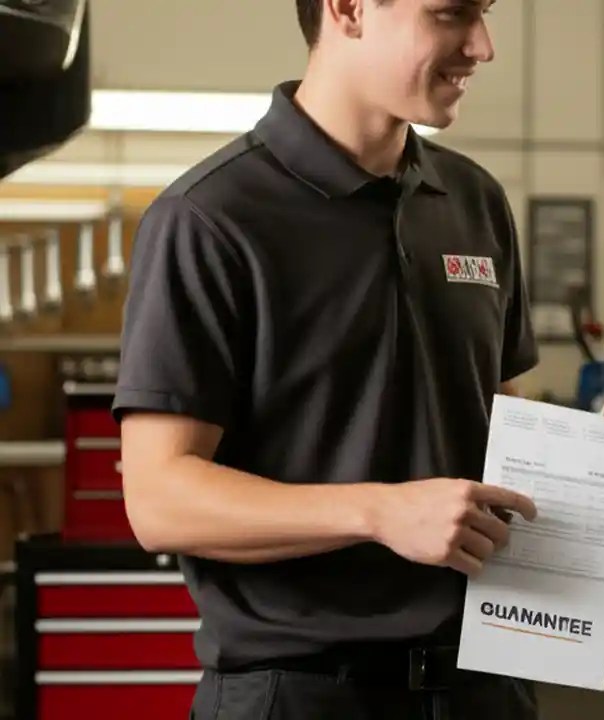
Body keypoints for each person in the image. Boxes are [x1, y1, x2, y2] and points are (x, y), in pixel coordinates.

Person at [114, 1, 542, 717]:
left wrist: (594, 466)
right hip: (301, 692)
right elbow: (159, 500)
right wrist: (377, 512)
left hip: (482, 685)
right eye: (452, 14)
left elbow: (502, 423)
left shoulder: (475, 202)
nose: (483, 47)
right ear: (347, 8)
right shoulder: (211, 219)